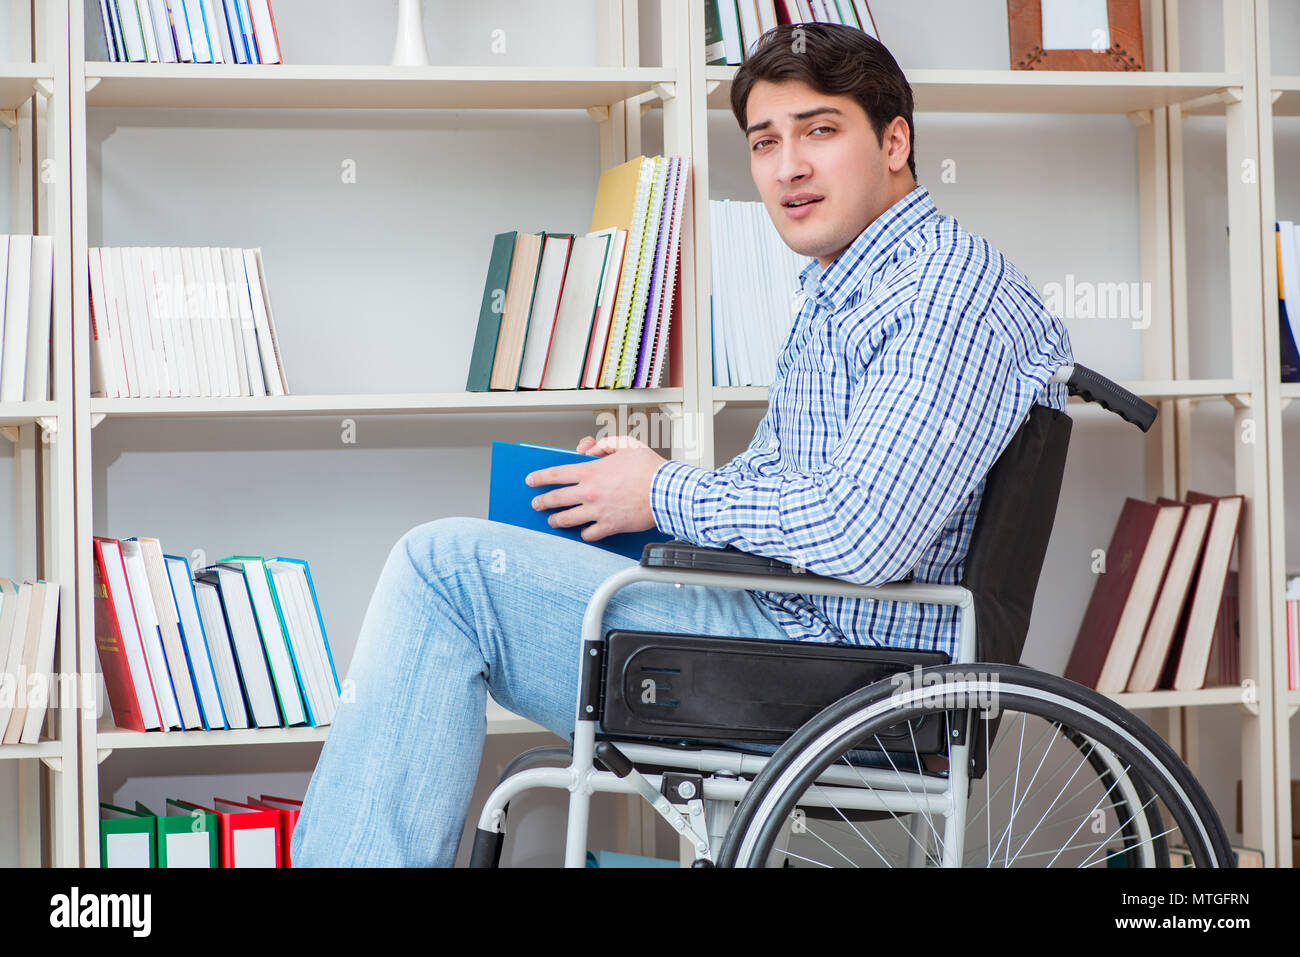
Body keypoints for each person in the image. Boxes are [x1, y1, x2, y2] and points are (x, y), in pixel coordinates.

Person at [291, 22, 1074, 867]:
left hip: (837, 675)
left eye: (819, 130)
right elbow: (791, 493)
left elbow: (862, 531)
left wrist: (662, 492)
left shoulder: (941, 294)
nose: (788, 167)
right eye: (764, 142)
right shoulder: (852, 283)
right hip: (785, 632)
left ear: (894, 140)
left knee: (441, 573)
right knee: (487, 552)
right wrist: (634, 489)